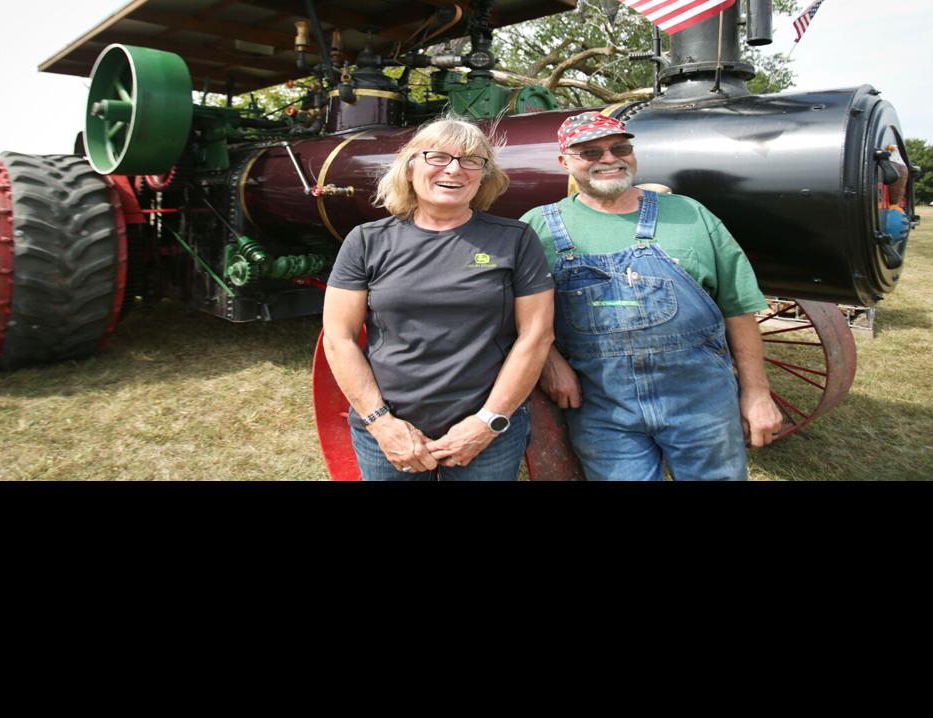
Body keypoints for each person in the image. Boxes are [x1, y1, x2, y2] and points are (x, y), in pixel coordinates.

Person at [519, 112, 781, 481]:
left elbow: (738, 310)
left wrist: (756, 392)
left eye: (619, 148)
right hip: (602, 408)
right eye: (590, 152)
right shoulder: (539, 227)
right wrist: (550, 362)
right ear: (564, 162)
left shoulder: (691, 216)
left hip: (701, 402)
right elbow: (522, 313)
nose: (609, 159)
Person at [322, 117, 555, 480]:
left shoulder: (516, 240)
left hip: (487, 430)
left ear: (482, 175)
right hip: (388, 428)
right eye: (438, 157)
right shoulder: (366, 241)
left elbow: (536, 336)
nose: (455, 169)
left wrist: (487, 422)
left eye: (471, 161)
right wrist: (381, 423)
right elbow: (339, 339)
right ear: (410, 166)